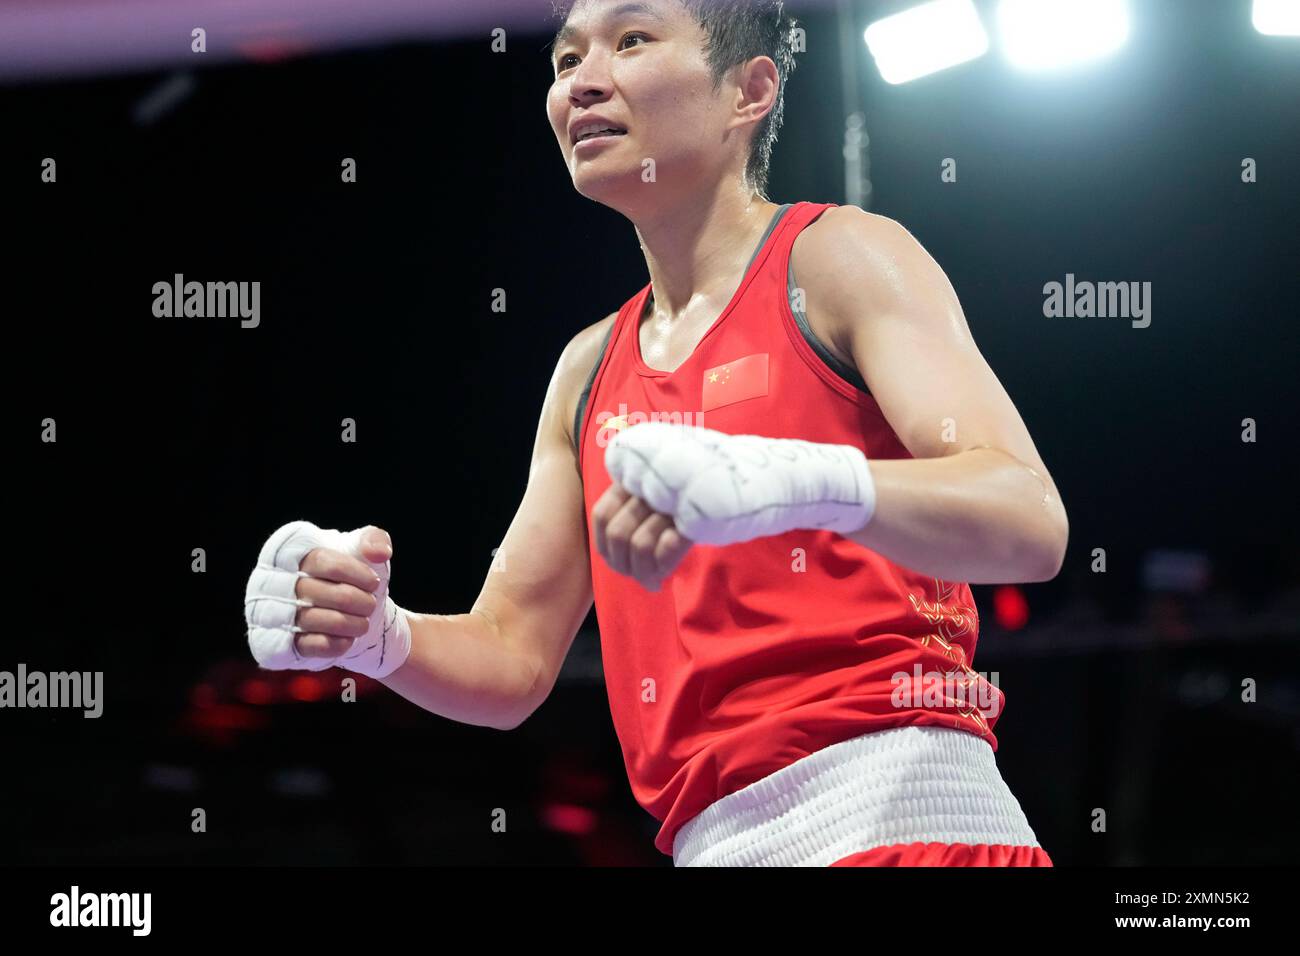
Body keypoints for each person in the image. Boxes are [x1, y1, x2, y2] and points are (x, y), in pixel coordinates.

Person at [244, 0, 1068, 866]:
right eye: (565, 61)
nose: (583, 81)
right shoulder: (587, 369)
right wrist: (380, 634)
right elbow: (513, 660)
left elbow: (1029, 517)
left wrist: (791, 477)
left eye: (631, 41)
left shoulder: (837, 259)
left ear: (747, 92)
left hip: (910, 824)